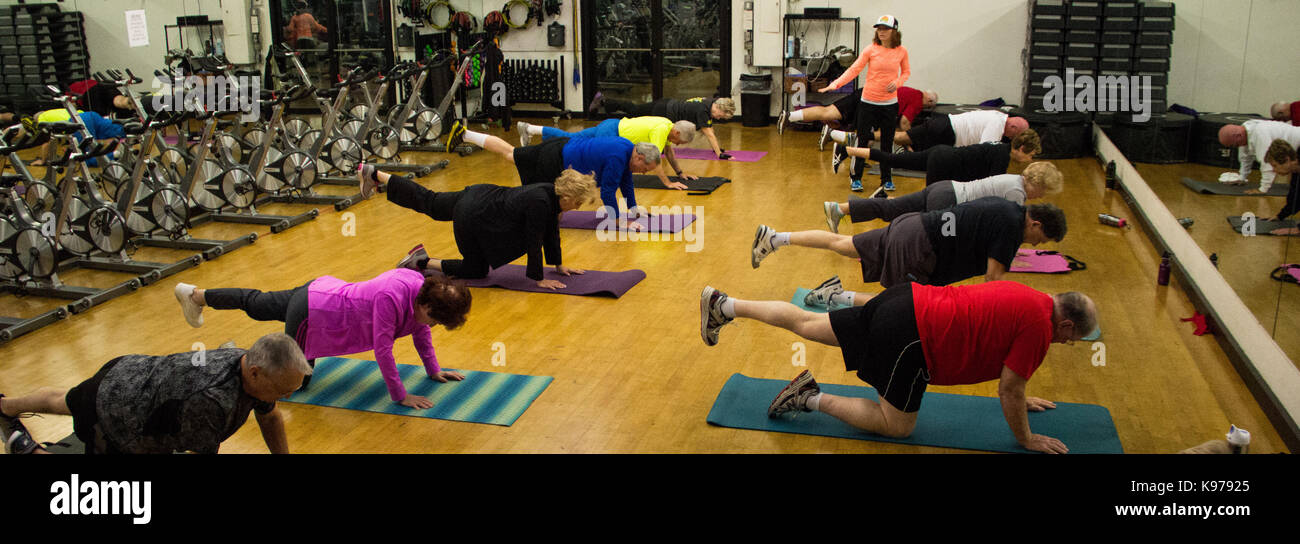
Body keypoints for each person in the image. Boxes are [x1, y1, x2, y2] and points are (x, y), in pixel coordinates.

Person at [697, 281, 1097, 453]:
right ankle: (808, 397)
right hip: (912, 339)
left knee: (807, 322)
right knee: (898, 425)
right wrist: (1026, 438)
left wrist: (1021, 395)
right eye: (1071, 339)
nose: (1066, 344)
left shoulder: (1029, 296)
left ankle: (724, 305)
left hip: (904, 302)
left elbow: (1012, 377)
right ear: (1065, 324)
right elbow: (1008, 388)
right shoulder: (1041, 330)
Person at [173, 268, 472, 408]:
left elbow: (420, 331)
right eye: (434, 319)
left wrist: (434, 370)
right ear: (426, 305)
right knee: (291, 384)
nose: (430, 326)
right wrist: (401, 396)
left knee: (258, 304)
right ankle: (234, 356)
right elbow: (383, 351)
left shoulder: (422, 293)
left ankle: (196, 295)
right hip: (313, 314)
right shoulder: (391, 297)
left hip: (319, 292)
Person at [1, 333, 310, 454]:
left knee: (64, 399)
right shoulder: (211, 402)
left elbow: (270, 417)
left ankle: (6, 407)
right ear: (256, 373)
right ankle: (27, 450)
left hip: (125, 370)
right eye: (283, 390)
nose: (283, 396)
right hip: (116, 417)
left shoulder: (250, 360)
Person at [358, 166, 599, 290]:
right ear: (567, 195)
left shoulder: (549, 193)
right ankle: (421, 262)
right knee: (476, 269)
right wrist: (538, 279)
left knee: (429, 201)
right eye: (577, 202)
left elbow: (551, 231)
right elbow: (534, 239)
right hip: (473, 215)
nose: (577, 207)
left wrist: (558, 265)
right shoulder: (541, 203)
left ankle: (377, 175)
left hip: (478, 194)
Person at [751, 198, 1068, 288]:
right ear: (1036, 223)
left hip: (913, 226)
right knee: (902, 307)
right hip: (919, 247)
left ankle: (776, 238)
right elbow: (992, 281)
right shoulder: (1013, 227)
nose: (1035, 243)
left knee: (843, 243)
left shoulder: (1007, 208)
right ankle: (835, 301)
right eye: (1042, 239)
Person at [444, 124, 659, 222]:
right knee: (512, 157)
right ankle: (466, 135)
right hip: (555, 159)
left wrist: (633, 209)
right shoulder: (618, 157)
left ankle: (466, 135)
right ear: (639, 157)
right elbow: (609, 193)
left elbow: (626, 182)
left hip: (561, 148)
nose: (642, 172)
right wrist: (619, 221)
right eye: (644, 168)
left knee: (511, 154)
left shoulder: (626, 147)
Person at [821, 161, 1064, 232]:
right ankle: (874, 247)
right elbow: (1004, 224)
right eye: (1042, 191)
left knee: (895, 209)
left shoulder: (1013, 180)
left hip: (945, 189)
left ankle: (839, 209)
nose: (1040, 196)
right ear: (1036, 184)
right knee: (913, 229)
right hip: (949, 201)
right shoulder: (1017, 193)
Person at [816, 14, 910, 193]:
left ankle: (886, 179)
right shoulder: (871, 49)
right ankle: (856, 177)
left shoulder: (901, 51)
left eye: (885, 29)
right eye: (879, 29)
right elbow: (854, 70)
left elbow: (906, 72)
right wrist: (834, 85)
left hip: (889, 104)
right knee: (862, 139)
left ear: (894, 31)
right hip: (868, 102)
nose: (881, 32)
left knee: (887, 142)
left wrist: (897, 83)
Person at [517, 116, 698, 190]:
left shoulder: (667, 124)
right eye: (680, 142)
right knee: (571, 141)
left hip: (612, 125)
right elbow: (656, 160)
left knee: (571, 137)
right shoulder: (661, 130)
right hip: (611, 134)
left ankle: (531, 129)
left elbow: (668, 152)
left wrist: (680, 173)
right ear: (677, 133)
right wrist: (668, 183)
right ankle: (531, 142)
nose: (678, 145)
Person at [836, 129, 1041, 188]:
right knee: (930, 202)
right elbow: (992, 187)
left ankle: (848, 151)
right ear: (1021, 148)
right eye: (1030, 155)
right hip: (943, 162)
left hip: (941, 153)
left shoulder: (1001, 147)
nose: (1029, 159)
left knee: (894, 159)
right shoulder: (1001, 157)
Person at [782, 87, 938, 150]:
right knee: (868, 138)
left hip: (865, 95)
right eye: (929, 106)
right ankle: (833, 135)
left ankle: (790, 116)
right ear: (929, 101)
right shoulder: (918, 101)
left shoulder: (913, 93)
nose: (926, 108)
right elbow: (905, 122)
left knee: (827, 112)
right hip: (870, 103)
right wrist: (910, 143)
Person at [591, 95, 736, 160]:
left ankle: (604, 101)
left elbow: (710, 128)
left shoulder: (710, 102)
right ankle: (605, 105)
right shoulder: (703, 111)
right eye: (721, 115)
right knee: (634, 112)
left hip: (666, 104)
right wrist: (719, 154)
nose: (719, 118)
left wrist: (716, 149)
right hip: (664, 111)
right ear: (719, 107)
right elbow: (709, 133)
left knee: (635, 109)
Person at [865, 109, 1029, 153]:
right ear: (1013, 127)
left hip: (948, 131)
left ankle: (865, 136)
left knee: (906, 141)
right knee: (902, 138)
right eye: (1017, 135)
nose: (1013, 138)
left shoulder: (999, 117)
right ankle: (864, 136)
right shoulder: (997, 124)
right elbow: (985, 150)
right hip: (946, 130)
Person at [1217, 121, 1300, 194]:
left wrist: (1263, 189)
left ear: (1238, 136)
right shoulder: (1244, 131)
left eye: (1234, 145)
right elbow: (1245, 157)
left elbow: (1267, 164)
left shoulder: (1259, 133)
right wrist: (1242, 177)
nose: (1235, 147)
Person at [1264, 140, 1300, 235]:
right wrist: (1280, 216)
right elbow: (1296, 199)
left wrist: (1298, 230)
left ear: (1287, 159)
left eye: (1275, 166)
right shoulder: (1296, 171)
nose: (1274, 170)